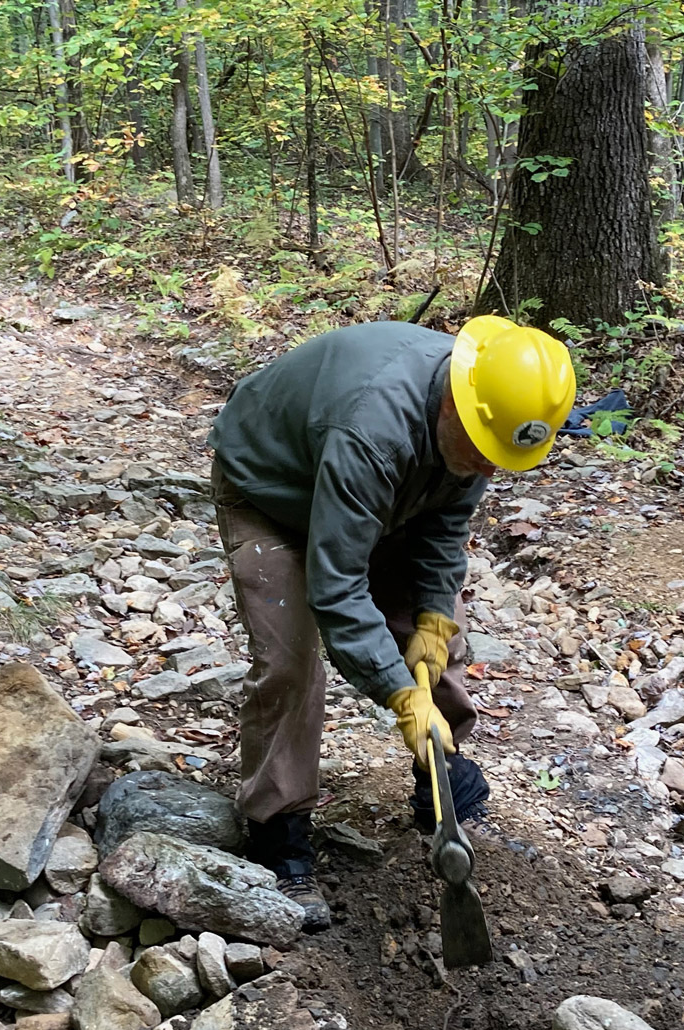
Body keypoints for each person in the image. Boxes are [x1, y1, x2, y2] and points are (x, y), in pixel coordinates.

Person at [208, 316, 575, 930]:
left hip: (371, 496)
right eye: (485, 453)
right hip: (271, 491)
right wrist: (400, 694)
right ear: (456, 403)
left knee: (440, 628)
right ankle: (278, 829)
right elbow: (338, 586)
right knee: (290, 659)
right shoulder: (372, 429)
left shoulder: (483, 421)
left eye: (502, 460)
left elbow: (444, 531)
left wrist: (432, 620)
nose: (490, 470)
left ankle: (442, 776)